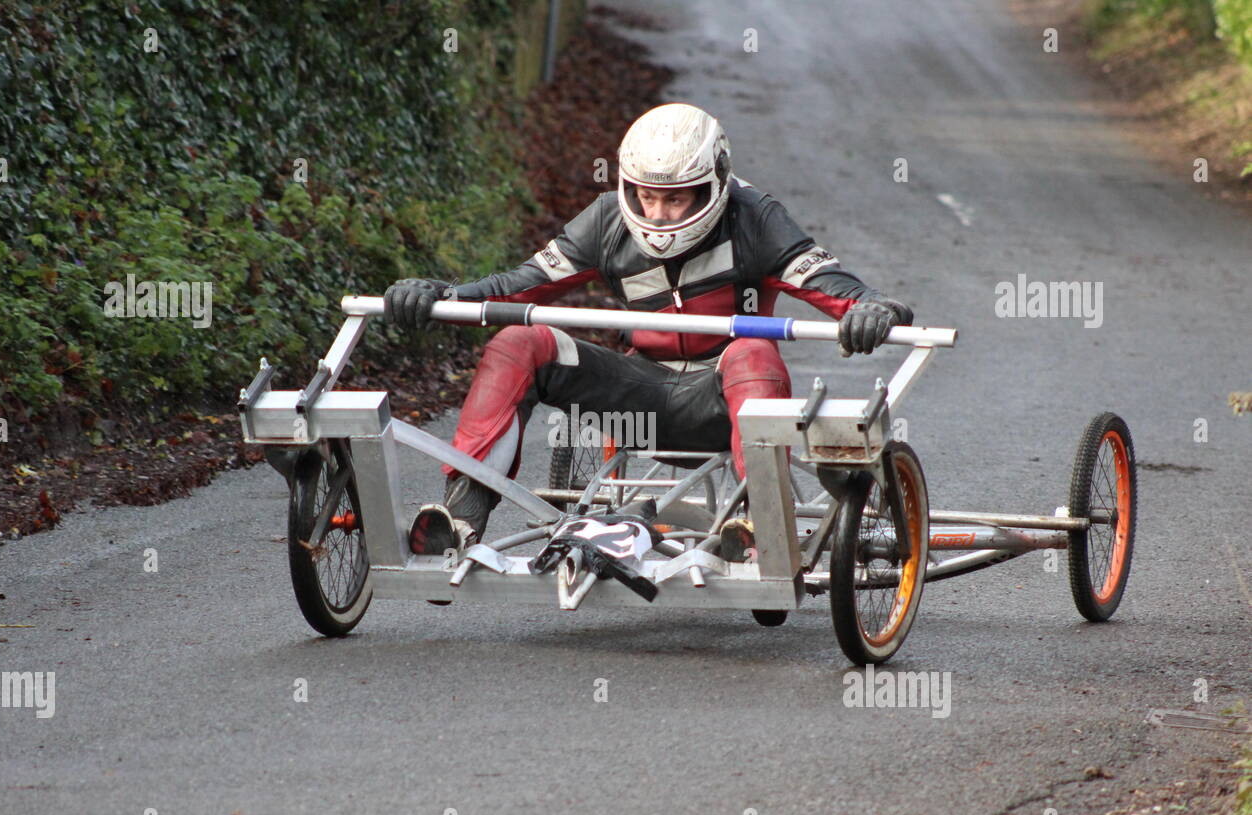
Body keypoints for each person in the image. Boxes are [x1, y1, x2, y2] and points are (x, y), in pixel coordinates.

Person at [384, 102, 912, 559]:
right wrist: (445, 295)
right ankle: (460, 520)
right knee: (519, 339)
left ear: (715, 183)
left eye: (677, 198)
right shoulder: (609, 220)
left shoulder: (754, 217)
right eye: (645, 197)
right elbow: (520, 287)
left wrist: (870, 306)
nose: (657, 215)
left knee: (753, 347)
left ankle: (759, 525)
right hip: (634, 402)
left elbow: (827, 281)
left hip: (724, 402)